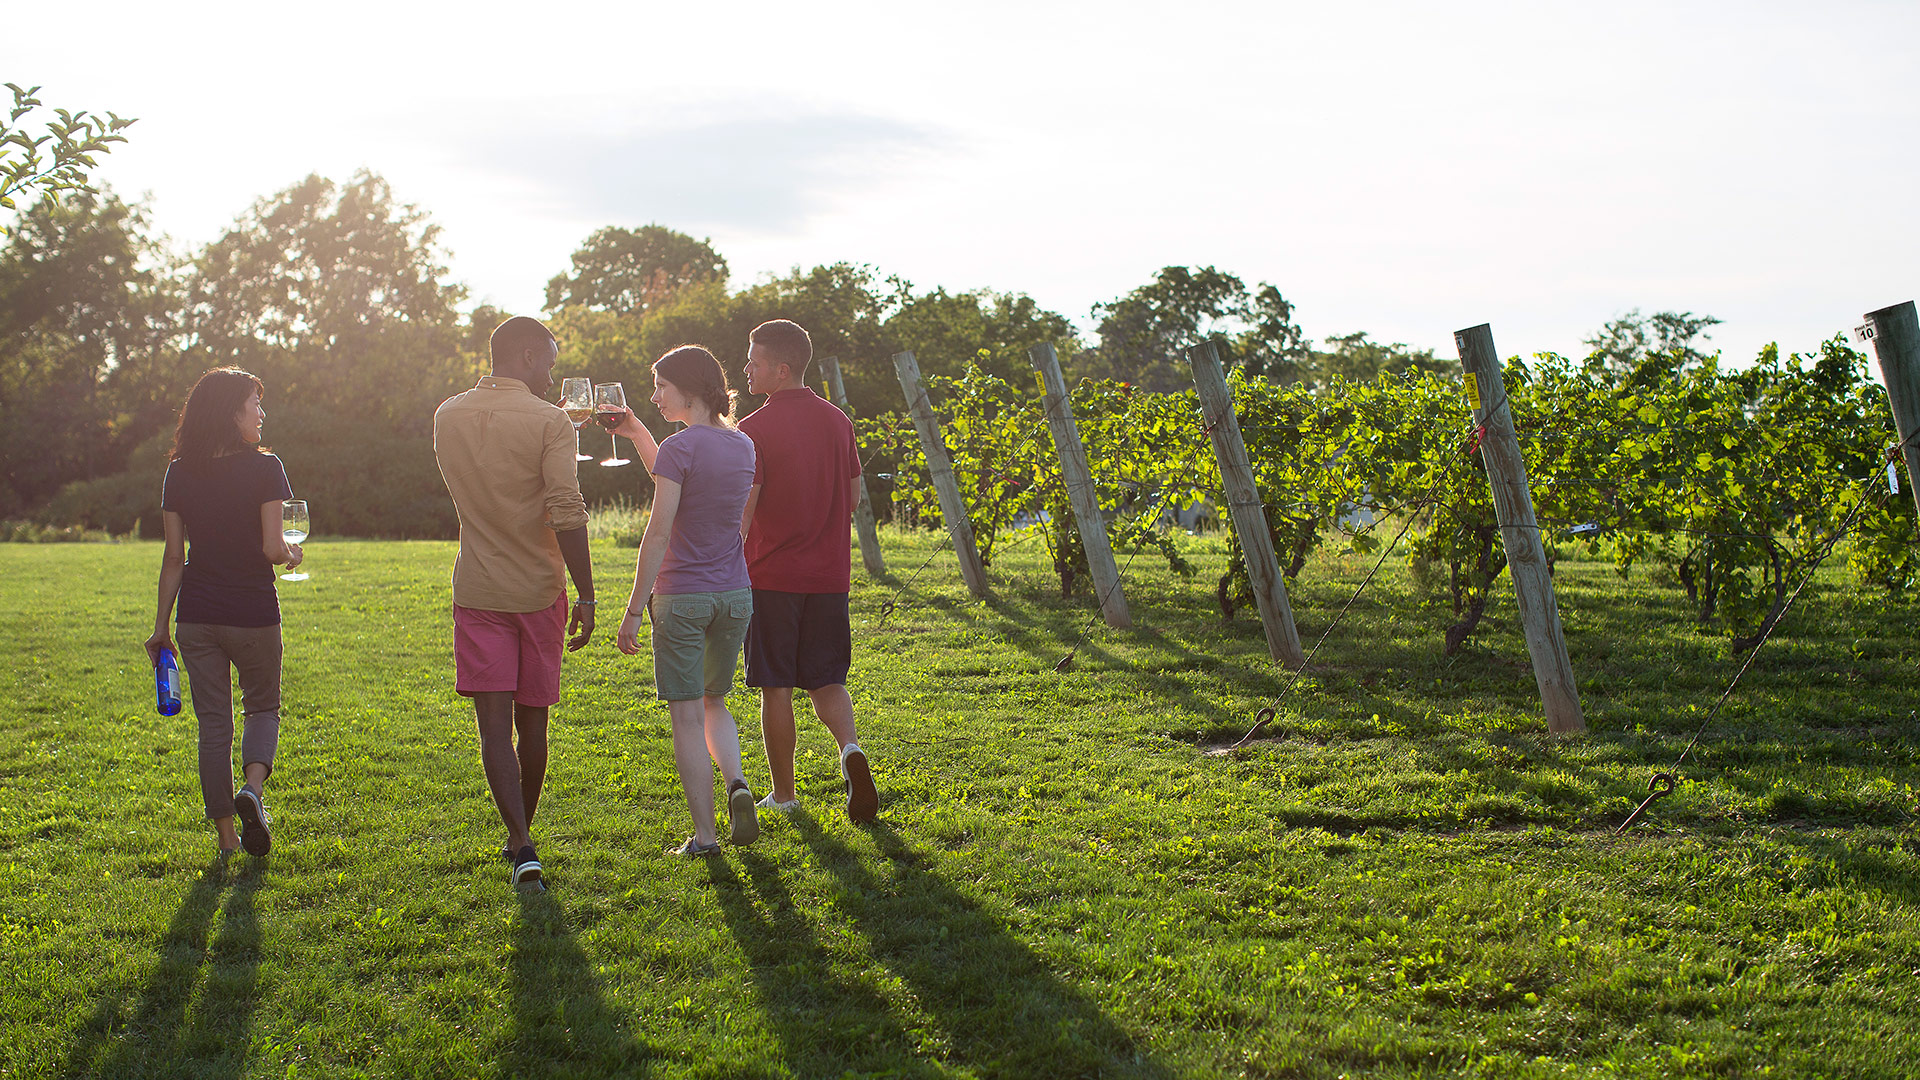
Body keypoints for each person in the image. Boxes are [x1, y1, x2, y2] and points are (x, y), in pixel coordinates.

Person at [433, 316, 595, 890]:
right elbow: (566, 507)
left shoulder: (446, 415)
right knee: (534, 723)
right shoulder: (551, 421)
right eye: (549, 360)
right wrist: (588, 591)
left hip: (477, 588)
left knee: (493, 729)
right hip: (537, 589)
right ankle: (521, 836)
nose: (553, 373)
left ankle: (520, 842)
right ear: (527, 356)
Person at [607, 345, 761, 856]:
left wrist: (633, 610)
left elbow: (658, 531)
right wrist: (638, 435)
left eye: (660, 387)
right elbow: (684, 475)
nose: (654, 397)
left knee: (687, 715)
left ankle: (705, 837)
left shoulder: (681, 450)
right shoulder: (742, 446)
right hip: (734, 597)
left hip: (683, 600)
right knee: (715, 701)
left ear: (688, 391)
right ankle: (737, 783)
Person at [144, 367, 303, 858]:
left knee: (213, 726)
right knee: (262, 707)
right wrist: (292, 556)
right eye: (255, 403)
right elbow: (273, 547)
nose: (262, 413)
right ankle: (252, 791)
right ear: (233, 412)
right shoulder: (266, 467)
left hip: (196, 616)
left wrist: (159, 628)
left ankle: (228, 840)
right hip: (253, 612)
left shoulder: (178, 472)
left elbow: (174, 556)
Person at [736, 319, 878, 822]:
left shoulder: (752, 431)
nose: (746, 368)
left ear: (782, 367)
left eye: (753, 360)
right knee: (826, 679)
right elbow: (856, 493)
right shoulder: (838, 420)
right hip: (829, 576)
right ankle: (850, 750)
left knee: (775, 686)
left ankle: (785, 793)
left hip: (771, 576)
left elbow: (744, 510)